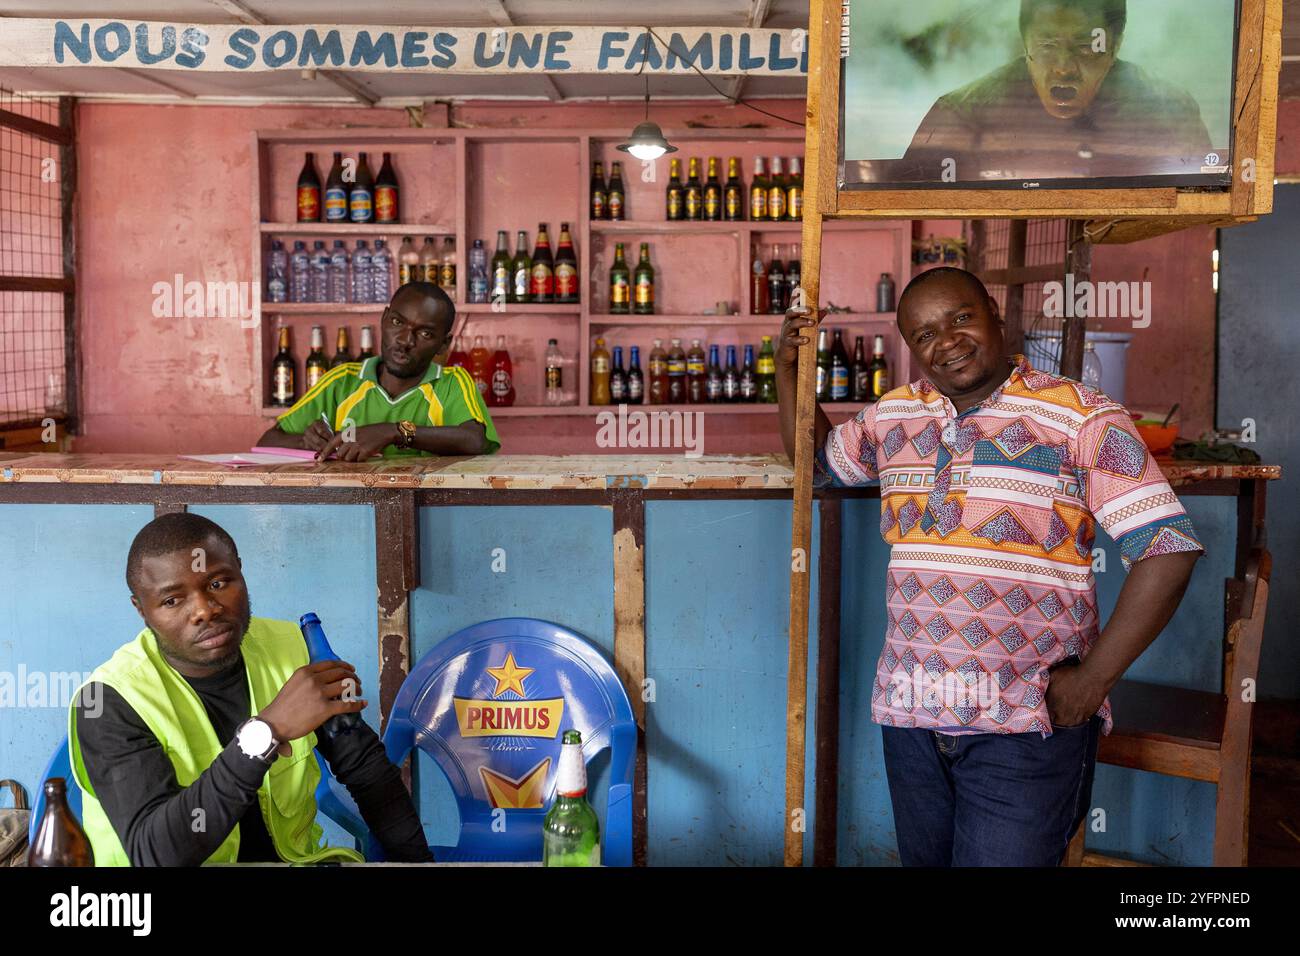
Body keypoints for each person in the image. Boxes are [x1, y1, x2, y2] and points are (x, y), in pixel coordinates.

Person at [777, 267, 1203, 866]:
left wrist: (1092, 683)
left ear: (997, 319)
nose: (945, 341)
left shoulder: (1081, 416)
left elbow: (1169, 548)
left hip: (1025, 724)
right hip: (911, 716)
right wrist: (789, 371)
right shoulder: (894, 416)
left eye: (960, 318)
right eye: (923, 335)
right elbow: (819, 467)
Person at [69, 512, 433, 865]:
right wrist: (266, 733)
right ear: (142, 610)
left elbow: (366, 770)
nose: (205, 610)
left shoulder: (293, 647)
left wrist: (419, 864)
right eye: (172, 600)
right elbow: (157, 854)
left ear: (241, 572)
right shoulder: (106, 701)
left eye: (217, 583)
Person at [898, 0, 1214, 183]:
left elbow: (1202, 192)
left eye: (1085, 46)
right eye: (1047, 45)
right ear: (1025, 44)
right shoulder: (960, 117)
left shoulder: (1170, 112)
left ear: (1115, 45)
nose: (1064, 66)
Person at [259, 281, 500, 460]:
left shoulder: (453, 383)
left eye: (425, 333)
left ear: (443, 345)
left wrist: (393, 432)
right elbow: (267, 442)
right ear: (384, 319)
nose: (405, 340)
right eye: (397, 322)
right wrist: (306, 441)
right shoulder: (341, 381)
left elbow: (474, 440)